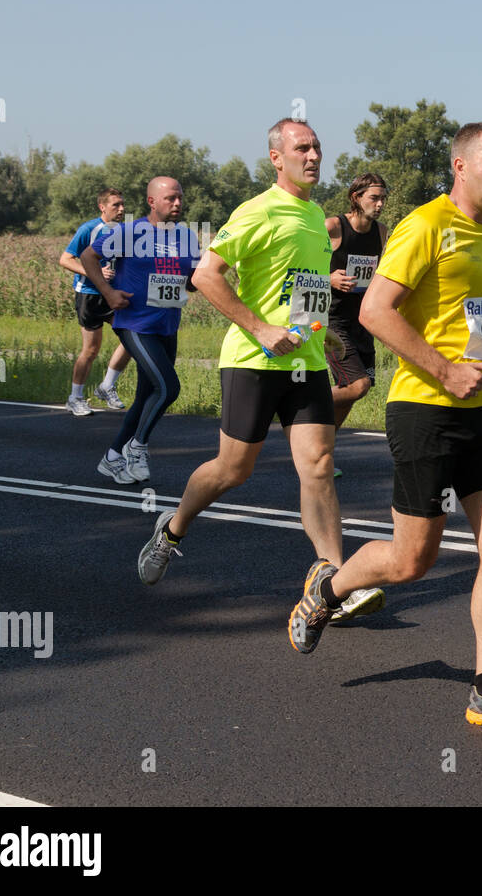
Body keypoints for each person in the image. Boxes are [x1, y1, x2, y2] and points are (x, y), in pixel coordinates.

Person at [283, 122, 482, 728]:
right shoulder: (425, 225)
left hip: (479, 410)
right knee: (412, 561)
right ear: (461, 166)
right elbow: (377, 311)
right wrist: (443, 369)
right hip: (423, 410)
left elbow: (474, 315)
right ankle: (326, 592)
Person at [137, 119, 346, 593]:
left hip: (305, 359)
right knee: (234, 470)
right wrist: (262, 329)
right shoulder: (259, 211)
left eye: (317, 148)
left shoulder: (316, 216)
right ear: (277, 158)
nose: (313, 156)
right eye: (302, 148)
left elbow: (299, 289)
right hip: (253, 359)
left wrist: (322, 330)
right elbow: (207, 275)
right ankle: (172, 529)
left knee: (317, 464)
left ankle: (333, 582)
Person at [80, 177, 198, 484]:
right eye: (171, 198)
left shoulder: (186, 236)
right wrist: (107, 292)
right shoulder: (128, 232)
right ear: (152, 202)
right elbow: (88, 258)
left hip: (167, 325)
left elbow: (193, 281)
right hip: (135, 323)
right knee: (169, 388)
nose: (177, 203)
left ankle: (112, 457)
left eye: (180, 198)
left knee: (148, 394)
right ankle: (138, 446)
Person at [321, 173, 389, 621]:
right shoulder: (334, 227)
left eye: (383, 198)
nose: (380, 205)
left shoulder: (380, 233)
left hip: (362, 322)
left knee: (356, 391)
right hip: (332, 321)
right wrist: (330, 277)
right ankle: (306, 415)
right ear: (355, 199)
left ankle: (319, 445)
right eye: (373, 198)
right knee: (358, 384)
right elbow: (304, 268)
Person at [58, 189, 132, 415]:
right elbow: (65, 259)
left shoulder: (124, 231)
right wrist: (93, 272)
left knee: (132, 336)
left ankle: (107, 385)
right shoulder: (89, 229)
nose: (121, 209)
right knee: (91, 350)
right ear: (103, 207)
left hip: (112, 292)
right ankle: (75, 397)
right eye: (116, 205)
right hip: (89, 294)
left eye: (122, 205)